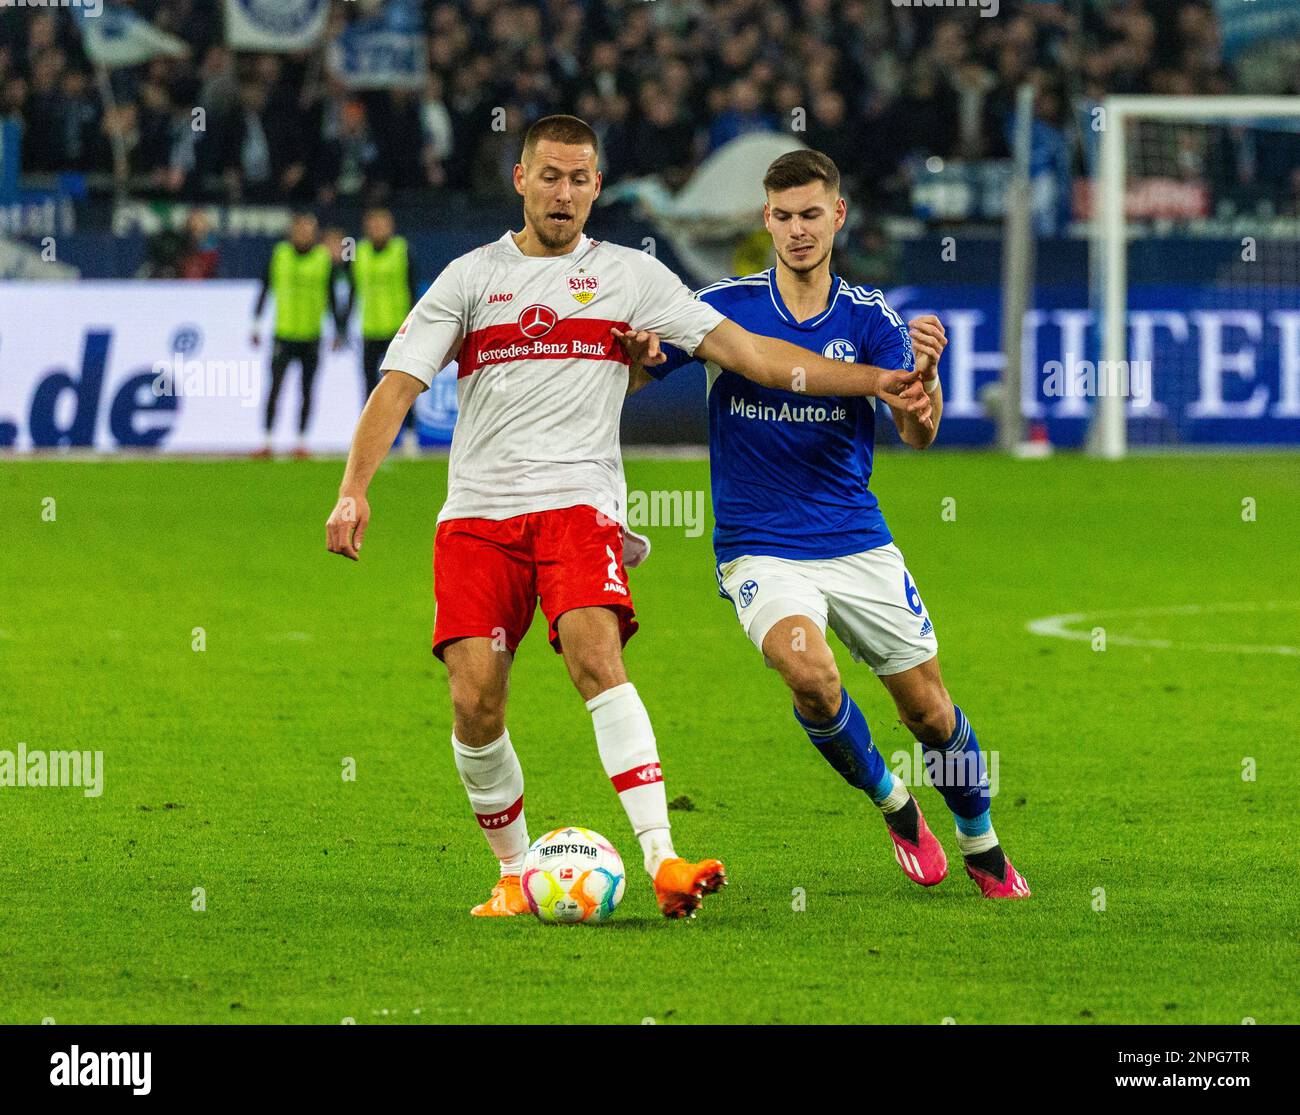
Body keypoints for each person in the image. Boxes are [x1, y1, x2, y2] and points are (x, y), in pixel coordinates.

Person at [324, 116, 926, 919]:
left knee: (595, 657)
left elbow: (748, 354)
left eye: (579, 178)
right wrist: (353, 487)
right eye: (549, 176)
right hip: (478, 514)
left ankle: (663, 860)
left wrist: (875, 381)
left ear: (597, 186)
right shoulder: (469, 278)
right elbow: (397, 383)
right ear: (521, 179)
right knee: (475, 701)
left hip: (579, 506)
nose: (563, 192)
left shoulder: (632, 278)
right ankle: (511, 872)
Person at [623, 149, 1030, 899]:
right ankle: (895, 805)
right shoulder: (723, 307)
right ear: (765, 219)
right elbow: (638, 368)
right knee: (809, 674)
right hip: (759, 547)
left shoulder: (870, 318)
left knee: (930, 711)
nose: (798, 230)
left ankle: (982, 837)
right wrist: (639, 352)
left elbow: (917, 433)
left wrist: (924, 389)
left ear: (837, 215)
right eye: (783, 216)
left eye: (812, 214)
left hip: (856, 538)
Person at [251, 212, 345, 459]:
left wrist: (338, 330)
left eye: (308, 230)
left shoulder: (324, 259)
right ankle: (267, 440)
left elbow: (333, 296)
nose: (303, 234)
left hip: (312, 336)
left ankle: (301, 441)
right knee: (275, 388)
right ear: (291, 231)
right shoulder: (279, 254)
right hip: (283, 334)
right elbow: (265, 287)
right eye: (299, 229)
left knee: (307, 389)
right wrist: (256, 323)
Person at [342, 208, 420, 454]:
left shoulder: (402, 249)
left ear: (391, 225)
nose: (378, 229)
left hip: (398, 331)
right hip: (369, 330)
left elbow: (412, 288)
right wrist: (343, 325)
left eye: (382, 224)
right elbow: (347, 280)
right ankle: (370, 441)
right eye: (373, 224)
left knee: (404, 386)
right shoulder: (358, 251)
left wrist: (415, 326)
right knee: (369, 387)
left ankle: (409, 437)